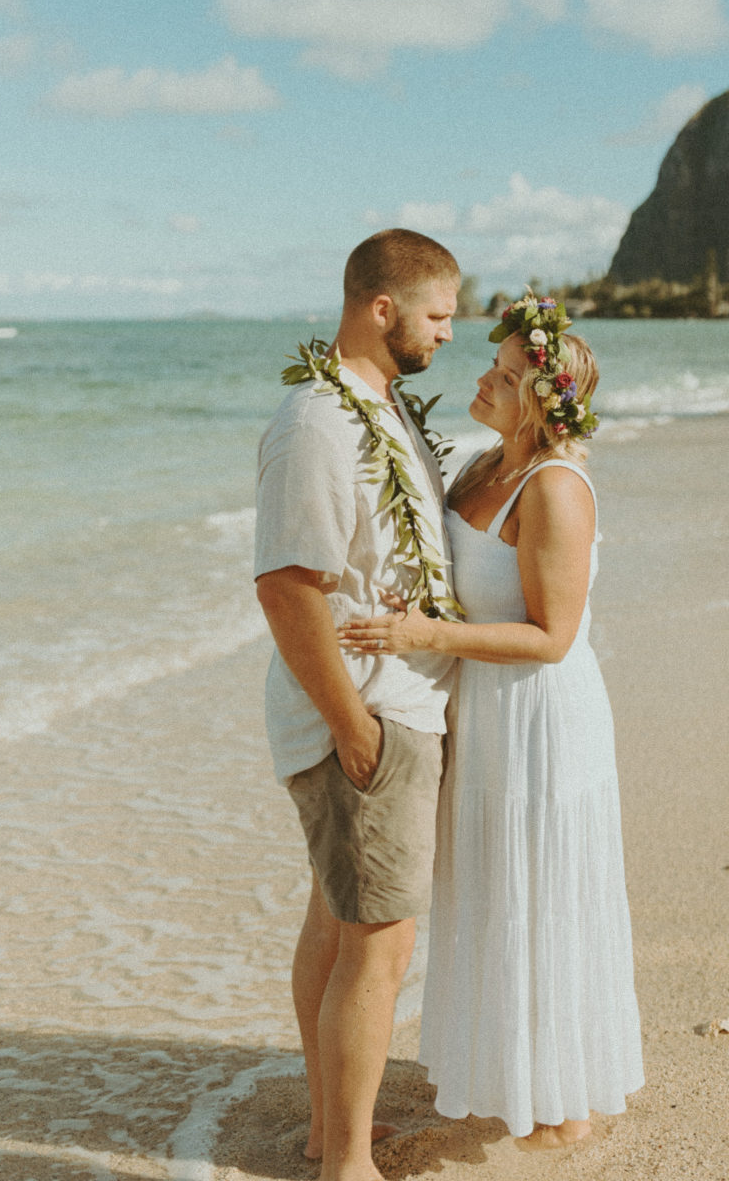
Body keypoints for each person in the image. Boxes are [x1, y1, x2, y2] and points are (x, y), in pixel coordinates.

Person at [340, 294, 643, 1149]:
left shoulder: (556, 489)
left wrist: (422, 635)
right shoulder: (481, 468)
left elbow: (552, 637)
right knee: (488, 891)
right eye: (493, 366)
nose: (483, 380)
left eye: (507, 378)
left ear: (542, 403)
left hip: (538, 717)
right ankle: (507, 1077)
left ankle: (563, 1104)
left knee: (539, 893)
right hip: (478, 707)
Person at [254, 229, 461, 1181]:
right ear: (383, 310)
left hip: (385, 709)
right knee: (378, 944)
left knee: (340, 925)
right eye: (437, 316)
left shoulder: (382, 406)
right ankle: (344, 1164)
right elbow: (287, 585)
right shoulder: (317, 423)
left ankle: (327, 1132)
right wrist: (353, 728)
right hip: (363, 716)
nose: (448, 334)